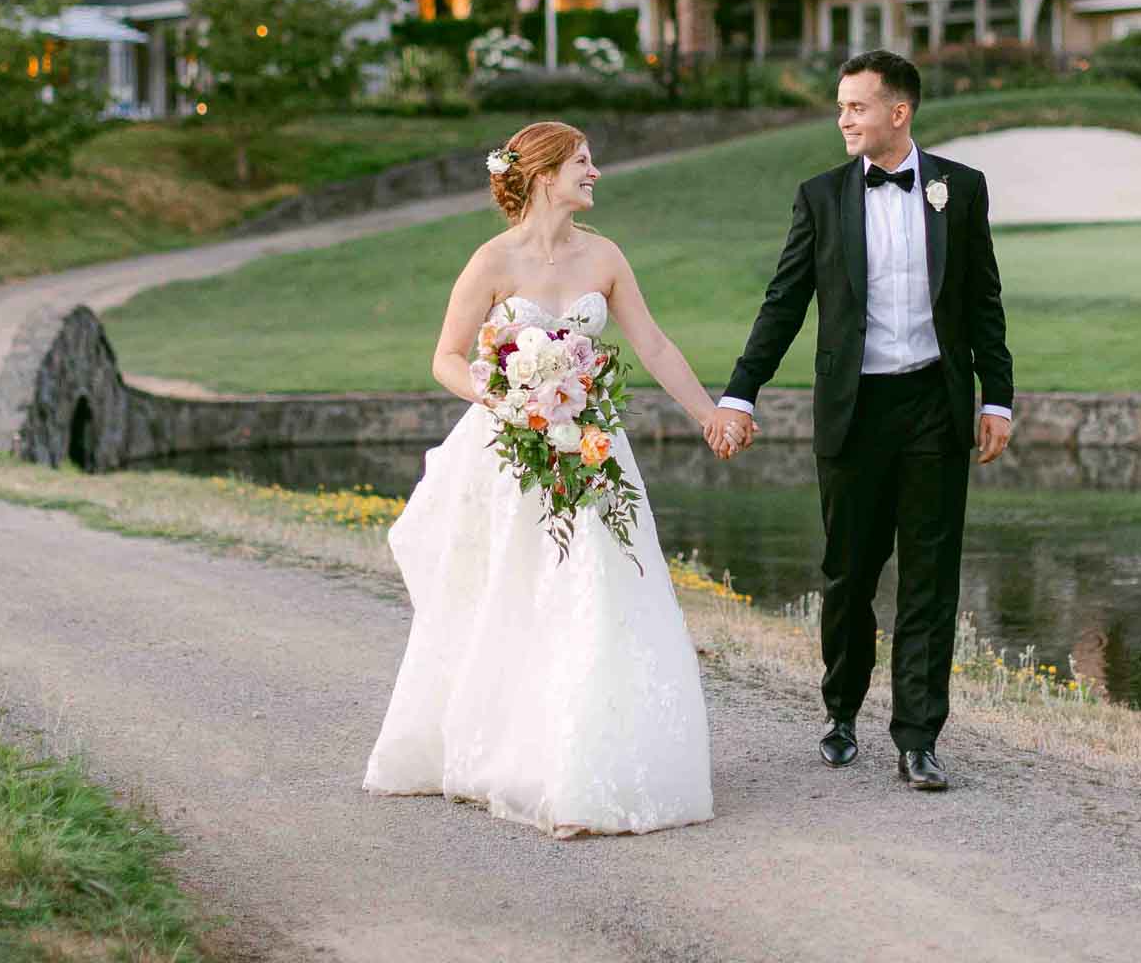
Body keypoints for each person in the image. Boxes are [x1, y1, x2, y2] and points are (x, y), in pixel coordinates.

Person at [363, 119, 724, 837]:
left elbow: (651, 343)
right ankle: (513, 750)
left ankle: (591, 761)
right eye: (584, 162)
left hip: (593, 450)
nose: (596, 173)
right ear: (545, 174)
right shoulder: (493, 261)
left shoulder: (606, 256)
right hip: (512, 454)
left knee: (599, 587)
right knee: (516, 593)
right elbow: (445, 355)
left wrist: (710, 414)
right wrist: (504, 397)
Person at [707, 50, 1014, 791]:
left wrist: (996, 396)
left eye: (856, 107)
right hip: (854, 410)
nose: (843, 119)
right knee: (849, 573)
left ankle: (917, 738)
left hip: (934, 410)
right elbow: (783, 303)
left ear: (897, 113)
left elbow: (982, 300)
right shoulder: (820, 197)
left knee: (931, 579)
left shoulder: (959, 190)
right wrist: (740, 392)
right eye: (841, 106)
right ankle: (841, 711)